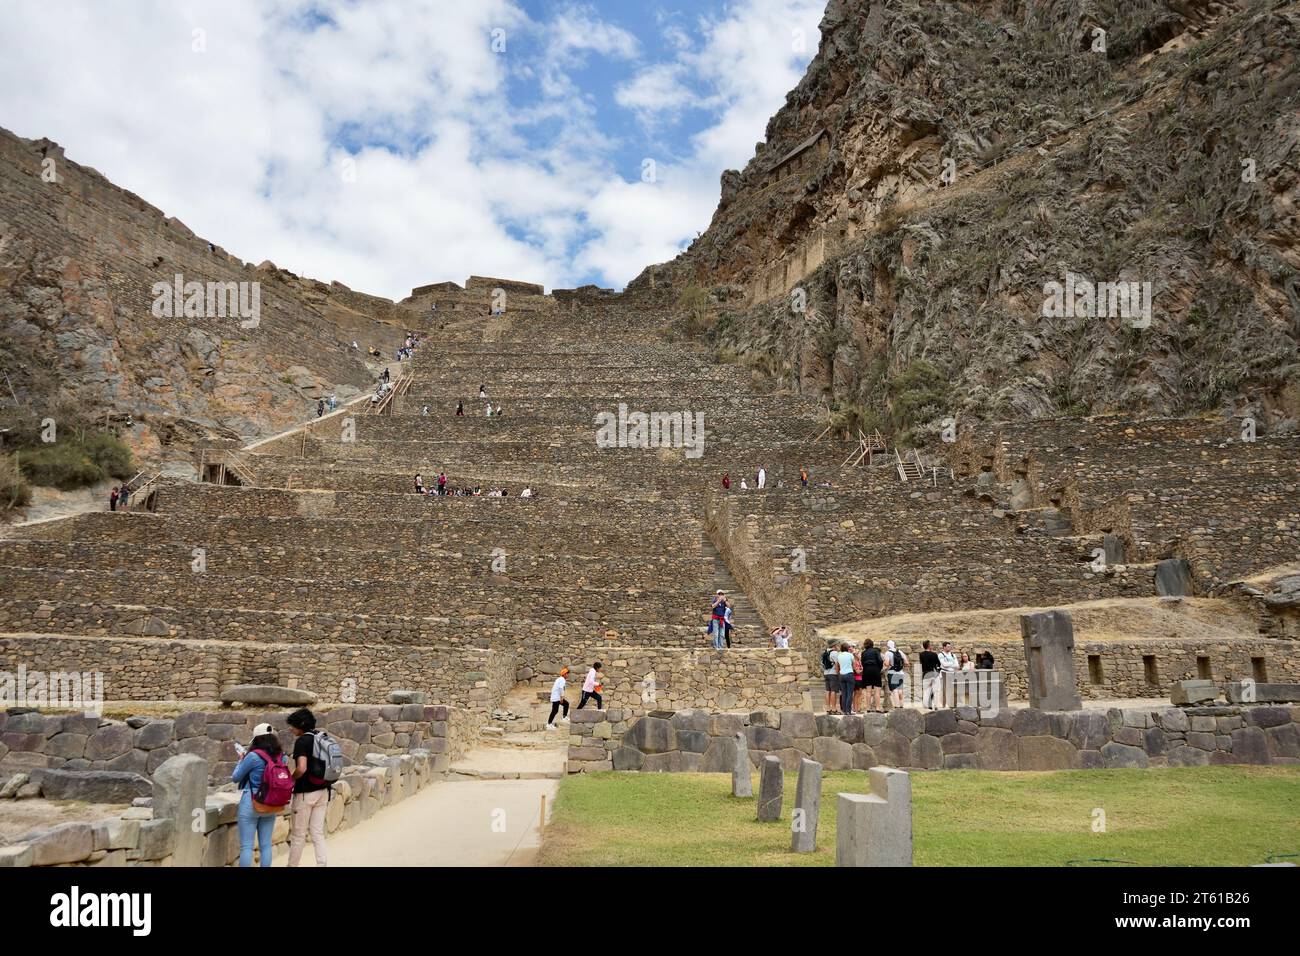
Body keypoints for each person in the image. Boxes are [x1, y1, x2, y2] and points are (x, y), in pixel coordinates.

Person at [231, 723, 292, 867]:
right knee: (266, 845)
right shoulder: (281, 757)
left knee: (246, 846)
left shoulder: (252, 756)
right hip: (270, 803)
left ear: (256, 739)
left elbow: (235, 777)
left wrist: (241, 760)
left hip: (251, 803)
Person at [286, 708, 330, 867]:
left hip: (305, 793)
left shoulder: (302, 741)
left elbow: (302, 768)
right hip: (323, 790)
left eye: (292, 725)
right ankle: (322, 864)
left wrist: (291, 779)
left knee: (298, 835)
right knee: (317, 833)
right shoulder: (321, 737)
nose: (290, 728)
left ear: (301, 724)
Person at [860, 639, 884, 713]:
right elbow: (880, 661)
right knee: (877, 690)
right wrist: (879, 669)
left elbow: (862, 663)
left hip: (866, 670)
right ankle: (877, 708)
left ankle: (868, 708)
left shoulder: (863, 653)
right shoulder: (876, 651)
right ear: (872, 644)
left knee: (868, 690)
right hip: (875, 669)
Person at [884, 640, 908, 708]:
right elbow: (906, 663)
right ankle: (901, 705)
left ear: (887, 646)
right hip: (900, 673)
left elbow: (887, 664)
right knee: (900, 690)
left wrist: (885, 663)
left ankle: (897, 706)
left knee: (894, 690)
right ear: (894, 645)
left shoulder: (887, 653)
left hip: (892, 673)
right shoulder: (900, 652)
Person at [836, 642, 857, 715]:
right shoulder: (850, 655)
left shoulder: (839, 655)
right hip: (849, 674)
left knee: (844, 693)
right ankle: (848, 711)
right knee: (850, 693)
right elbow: (854, 666)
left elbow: (837, 666)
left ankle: (844, 710)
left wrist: (838, 673)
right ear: (848, 648)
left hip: (841, 675)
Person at [919, 640, 941, 710]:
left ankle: (926, 706)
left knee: (926, 691)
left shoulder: (921, 654)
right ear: (929, 646)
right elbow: (939, 665)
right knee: (936, 690)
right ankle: (936, 705)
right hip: (934, 673)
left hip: (925, 673)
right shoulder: (934, 654)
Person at [937, 641, 959, 707]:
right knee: (943, 689)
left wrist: (949, 664)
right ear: (944, 647)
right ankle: (943, 703)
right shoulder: (941, 655)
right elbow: (944, 664)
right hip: (944, 672)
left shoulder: (953, 655)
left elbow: (957, 665)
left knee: (951, 689)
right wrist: (952, 663)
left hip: (952, 673)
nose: (949, 647)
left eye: (950, 646)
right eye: (948, 646)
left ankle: (950, 703)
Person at [821, 642, 839, 715]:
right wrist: (837, 673)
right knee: (833, 691)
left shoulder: (825, 652)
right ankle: (834, 709)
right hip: (833, 673)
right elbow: (837, 663)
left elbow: (822, 664)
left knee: (827, 691)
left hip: (826, 673)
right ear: (834, 645)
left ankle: (828, 708)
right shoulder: (834, 653)